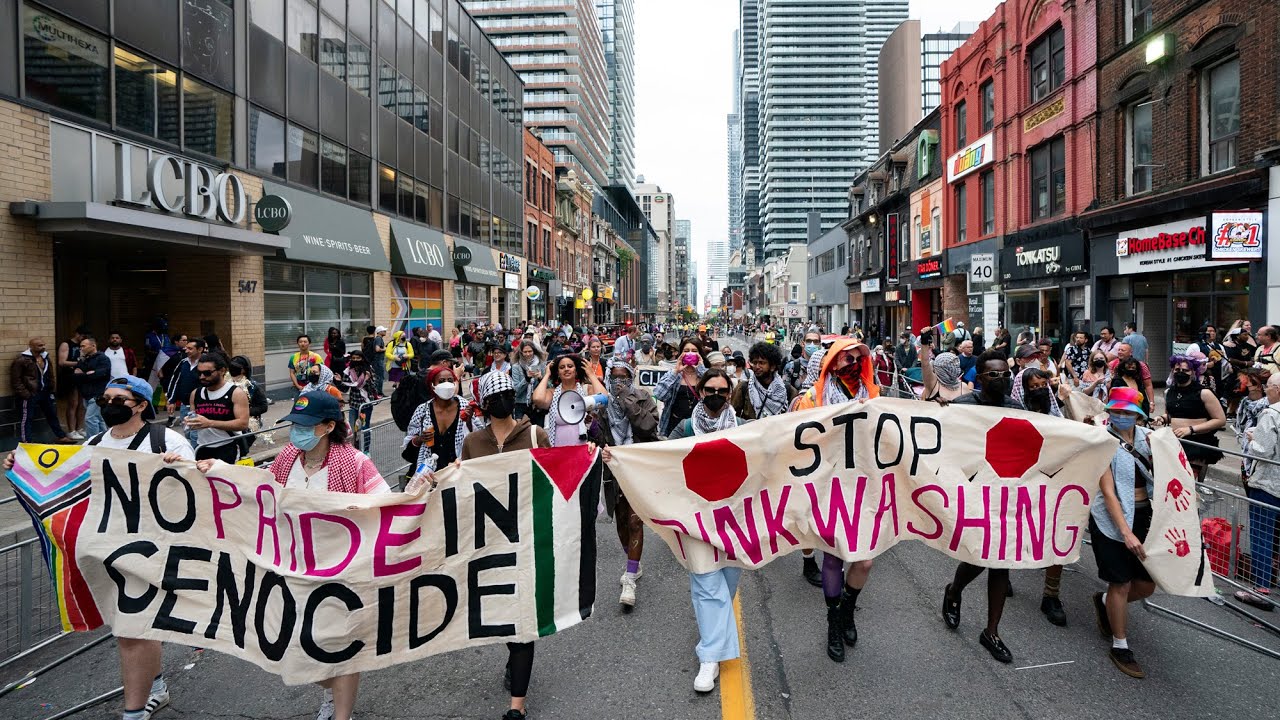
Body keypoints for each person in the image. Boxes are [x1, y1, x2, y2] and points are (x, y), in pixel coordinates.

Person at [6, 375, 193, 720]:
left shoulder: (167, 441)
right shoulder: (92, 443)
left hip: (152, 553)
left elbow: (193, 497)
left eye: (119, 399)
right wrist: (24, 469)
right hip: (107, 553)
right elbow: (71, 491)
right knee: (135, 628)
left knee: (131, 629)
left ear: (140, 404)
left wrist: (180, 471)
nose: (108, 404)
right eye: (106, 397)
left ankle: (134, 711)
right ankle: (155, 687)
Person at [213, 391, 387, 720]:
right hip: (293, 570)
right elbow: (257, 487)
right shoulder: (287, 458)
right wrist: (217, 470)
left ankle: (341, 712)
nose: (297, 431)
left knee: (341, 645)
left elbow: (386, 503)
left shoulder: (355, 463)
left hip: (341, 573)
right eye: (295, 423)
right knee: (303, 644)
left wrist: (361, 510)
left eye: (305, 425)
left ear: (328, 426)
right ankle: (330, 691)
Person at [409, 372, 555, 720]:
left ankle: (516, 708)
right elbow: (464, 488)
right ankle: (512, 656)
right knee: (500, 615)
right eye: (497, 395)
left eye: (508, 393)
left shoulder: (537, 435)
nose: (503, 400)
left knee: (522, 621)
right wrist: (437, 480)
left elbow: (555, 478)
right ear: (484, 404)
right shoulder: (473, 442)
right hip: (489, 544)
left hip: (529, 540)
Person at [791, 339, 879, 663]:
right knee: (833, 557)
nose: (853, 363)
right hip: (828, 487)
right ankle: (833, 623)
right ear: (832, 361)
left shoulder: (872, 395)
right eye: (846, 358)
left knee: (865, 560)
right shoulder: (813, 398)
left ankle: (848, 610)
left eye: (859, 358)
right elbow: (797, 441)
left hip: (863, 486)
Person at [942, 350, 1024, 663]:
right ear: (980, 377)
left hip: (1006, 496)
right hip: (973, 493)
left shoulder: (1017, 409)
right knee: (978, 556)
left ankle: (991, 632)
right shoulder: (962, 407)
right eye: (994, 374)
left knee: (1000, 561)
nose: (1002, 379)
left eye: (1006, 373)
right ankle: (954, 590)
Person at [662, 369, 741, 692]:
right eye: (710, 389)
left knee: (726, 586)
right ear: (700, 390)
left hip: (734, 522)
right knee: (707, 585)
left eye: (723, 391)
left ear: (730, 393)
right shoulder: (685, 428)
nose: (716, 395)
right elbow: (659, 460)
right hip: (695, 521)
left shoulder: (745, 429)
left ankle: (713, 636)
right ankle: (709, 659)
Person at [1088, 386, 1157, 679]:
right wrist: (1125, 531)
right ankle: (1120, 644)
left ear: (1138, 415)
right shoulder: (1102, 440)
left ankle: (1105, 602)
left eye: (1127, 412)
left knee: (1147, 584)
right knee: (1122, 583)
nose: (1121, 416)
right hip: (1109, 520)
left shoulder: (1148, 439)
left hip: (1144, 514)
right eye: (1116, 411)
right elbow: (1109, 492)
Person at [598, 359, 661, 610]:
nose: (619, 383)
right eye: (614, 378)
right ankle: (632, 561)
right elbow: (596, 435)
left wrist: (628, 401)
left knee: (636, 520)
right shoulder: (603, 405)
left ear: (631, 379)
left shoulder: (642, 398)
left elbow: (648, 426)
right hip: (613, 470)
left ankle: (630, 578)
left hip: (637, 468)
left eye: (624, 378)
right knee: (622, 521)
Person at [1019, 368, 1069, 625]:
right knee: (1016, 531)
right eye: (1033, 386)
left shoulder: (1057, 411)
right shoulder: (1011, 411)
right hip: (1019, 482)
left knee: (1055, 533)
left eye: (1042, 385)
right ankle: (1002, 573)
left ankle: (1051, 595)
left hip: (1052, 482)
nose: (1038, 389)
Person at [1151, 355, 1226, 482]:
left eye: (1185, 370)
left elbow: (1220, 420)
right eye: (1177, 370)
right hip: (1175, 441)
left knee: (1187, 483)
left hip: (1197, 443)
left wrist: (1190, 429)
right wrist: (1162, 419)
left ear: (1192, 372)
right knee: (1168, 481)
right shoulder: (1169, 392)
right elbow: (1173, 415)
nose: (1180, 373)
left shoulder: (1204, 393)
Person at [1240, 374, 1280, 608]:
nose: (1266, 390)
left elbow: (1263, 451)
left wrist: (1253, 437)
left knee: (1262, 535)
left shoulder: (1271, 414)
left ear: (1276, 389)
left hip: (1268, 484)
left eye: (1268, 386)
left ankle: (1260, 588)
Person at [403, 364, 479, 476]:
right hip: (429, 475)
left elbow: (477, 439)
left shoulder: (466, 408)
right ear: (433, 385)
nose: (447, 384)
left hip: (458, 472)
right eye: (442, 381)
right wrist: (420, 439)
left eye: (450, 380)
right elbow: (409, 445)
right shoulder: (422, 410)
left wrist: (468, 421)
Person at [186, 353, 250, 464]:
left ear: (222, 371)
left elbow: (243, 424)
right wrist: (189, 422)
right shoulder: (195, 394)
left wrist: (210, 423)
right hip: (202, 447)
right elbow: (193, 420)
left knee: (224, 480)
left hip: (227, 446)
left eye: (207, 373)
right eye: (199, 372)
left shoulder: (236, 393)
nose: (202, 377)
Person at [533, 352, 608, 446]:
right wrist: (547, 375)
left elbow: (604, 398)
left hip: (584, 448)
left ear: (576, 371)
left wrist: (591, 374)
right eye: (562, 367)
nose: (566, 369)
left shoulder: (586, 390)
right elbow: (537, 399)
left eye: (570, 366)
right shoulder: (552, 393)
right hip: (558, 449)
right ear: (558, 373)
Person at [13, 338, 73, 444]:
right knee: (27, 418)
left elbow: (50, 374)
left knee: (52, 415)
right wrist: (25, 393)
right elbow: (16, 379)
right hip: (30, 393)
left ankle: (61, 436)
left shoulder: (45, 357)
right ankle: (26, 441)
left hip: (44, 392)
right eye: (39, 345)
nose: (43, 347)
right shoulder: (22, 360)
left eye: (43, 345)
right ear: (31, 346)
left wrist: (51, 388)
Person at [654, 339, 706, 437]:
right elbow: (659, 394)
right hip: (675, 425)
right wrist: (675, 372)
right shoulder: (674, 374)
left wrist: (701, 370)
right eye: (686, 351)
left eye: (694, 351)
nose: (690, 353)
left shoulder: (705, 374)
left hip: (700, 426)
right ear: (681, 354)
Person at [730, 342, 793, 421]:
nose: (757, 367)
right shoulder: (744, 388)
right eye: (755, 362)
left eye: (761, 363)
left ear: (772, 366)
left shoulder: (787, 389)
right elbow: (732, 418)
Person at [1234, 369, 1270, 482]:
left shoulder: (1270, 409)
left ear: (1259, 387)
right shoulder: (1245, 404)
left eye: (1247, 385)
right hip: (1246, 453)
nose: (1242, 388)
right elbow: (1240, 426)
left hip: (1263, 459)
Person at [74, 336, 112, 437]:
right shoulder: (83, 359)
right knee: (98, 418)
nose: (81, 348)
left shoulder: (102, 358)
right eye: (80, 346)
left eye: (83, 346)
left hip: (97, 394)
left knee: (90, 418)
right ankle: (104, 439)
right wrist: (87, 374)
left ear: (93, 346)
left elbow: (99, 374)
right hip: (86, 394)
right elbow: (76, 374)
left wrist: (85, 374)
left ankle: (93, 442)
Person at [57, 325, 90, 440]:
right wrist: (79, 364)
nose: (83, 338)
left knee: (82, 404)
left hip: (82, 376)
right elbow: (62, 362)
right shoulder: (66, 344)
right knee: (73, 403)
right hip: (70, 376)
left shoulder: (84, 345)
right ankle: (71, 430)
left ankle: (80, 428)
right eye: (82, 336)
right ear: (77, 334)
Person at [919, 334, 969, 404]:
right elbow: (925, 364)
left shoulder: (933, 384)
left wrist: (925, 341)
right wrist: (924, 340)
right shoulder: (964, 387)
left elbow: (925, 364)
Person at [513, 340, 546, 422]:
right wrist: (526, 379)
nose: (528, 354)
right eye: (525, 352)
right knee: (522, 433)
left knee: (537, 433)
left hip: (537, 405)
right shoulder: (516, 367)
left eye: (530, 351)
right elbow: (516, 391)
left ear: (534, 351)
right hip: (521, 404)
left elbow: (548, 386)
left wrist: (540, 378)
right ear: (521, 353)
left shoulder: (541, 364)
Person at [361, 326, 386, 399]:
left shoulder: (364, 339)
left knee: (369, 376)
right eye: (384, 331)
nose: (385, 332)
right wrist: (384, 349)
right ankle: (378, 393)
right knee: (378, 376)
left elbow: (362, 348)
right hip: (376, 360)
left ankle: (372, 392)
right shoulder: (377, 339)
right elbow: (377, 349)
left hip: (366, 360)